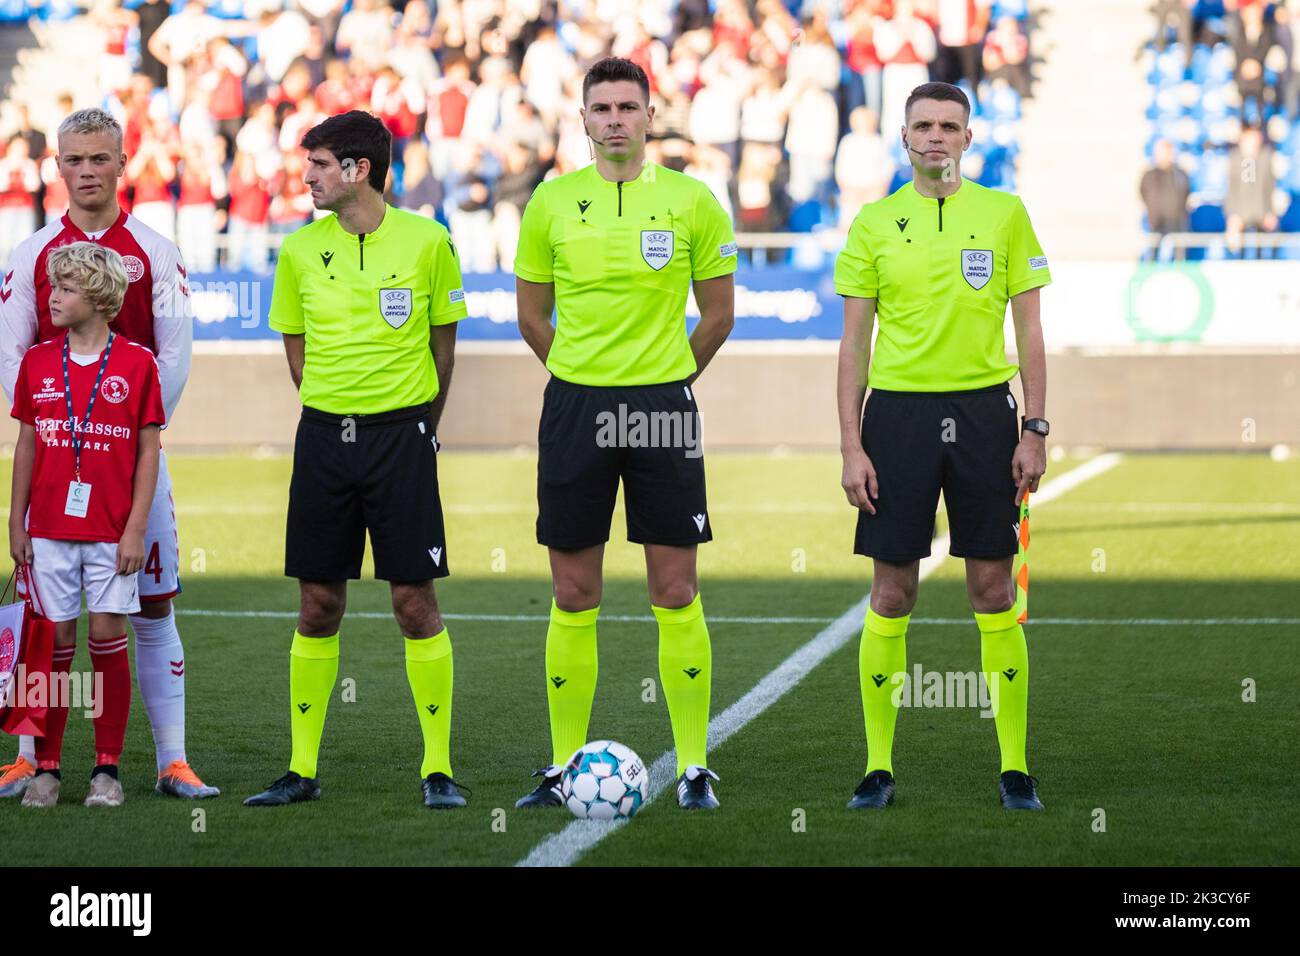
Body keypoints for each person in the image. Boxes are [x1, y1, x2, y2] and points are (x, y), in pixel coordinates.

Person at [513, 58, 737, 811]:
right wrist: (582, 377)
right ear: (582, 119)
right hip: (576, 407)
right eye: (601, 107)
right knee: (574, 591)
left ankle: (697, 765)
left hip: (662, 410)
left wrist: (668, 380)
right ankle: (559, 763)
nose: (614, 118)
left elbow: (718, 315)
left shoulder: (691, 201)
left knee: (674, 587)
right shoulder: (550, 203)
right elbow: (531, 316)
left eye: (627, 106)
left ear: (650, 115)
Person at [834, 82, 1051, 812]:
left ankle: (1015, 768)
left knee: (994, 590)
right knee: (892, 591)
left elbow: (1030, 334)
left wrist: (1035, 427)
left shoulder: (1005, 214)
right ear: (904, 138)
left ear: (967, 137)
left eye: (948, 126)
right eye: (922, 125)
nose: (935, 136)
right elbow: (852, 348)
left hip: (987, 417)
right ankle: (877, 767)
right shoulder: (874, 222)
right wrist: (850, 445)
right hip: (895, 420)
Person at [244, 111, 469, 810]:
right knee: (317, 603)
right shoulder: (299, 251)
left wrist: (416, 426)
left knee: (413, 601)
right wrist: (334, 408)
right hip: (323, 440)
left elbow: (444, 348)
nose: (305, 177)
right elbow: (296, 353)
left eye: (317, 164)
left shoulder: (430, 241)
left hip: (402, 440)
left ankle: (437, 769)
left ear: (357, 169)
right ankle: (300, 771)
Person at [0, 108, 214, 801]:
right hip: (60, 471)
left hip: (134, 471)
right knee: (47, 619)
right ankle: (36, 759)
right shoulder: (29, 256)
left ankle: (170, 760)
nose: (87, 171)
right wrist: (67, 427)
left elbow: (175, 356)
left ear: (123, 163)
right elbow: (15, 360)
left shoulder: (156, 248)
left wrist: (130, 436)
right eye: (74, 159)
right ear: (56, 167)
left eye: (99, 158)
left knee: (151, 608)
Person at [8, 242, 164, 808]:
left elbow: (149, 451)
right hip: (46, 528)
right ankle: (46, 768)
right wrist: (15, 520)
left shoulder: (138, 363)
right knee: (52, 643)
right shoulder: (37, 361)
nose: (53, 297)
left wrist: (135, 527)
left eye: (67, 289)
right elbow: (27, 443)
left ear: (98, 298)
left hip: (110, 531)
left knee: (105, 640)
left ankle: (107, 770)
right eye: (54, 287)